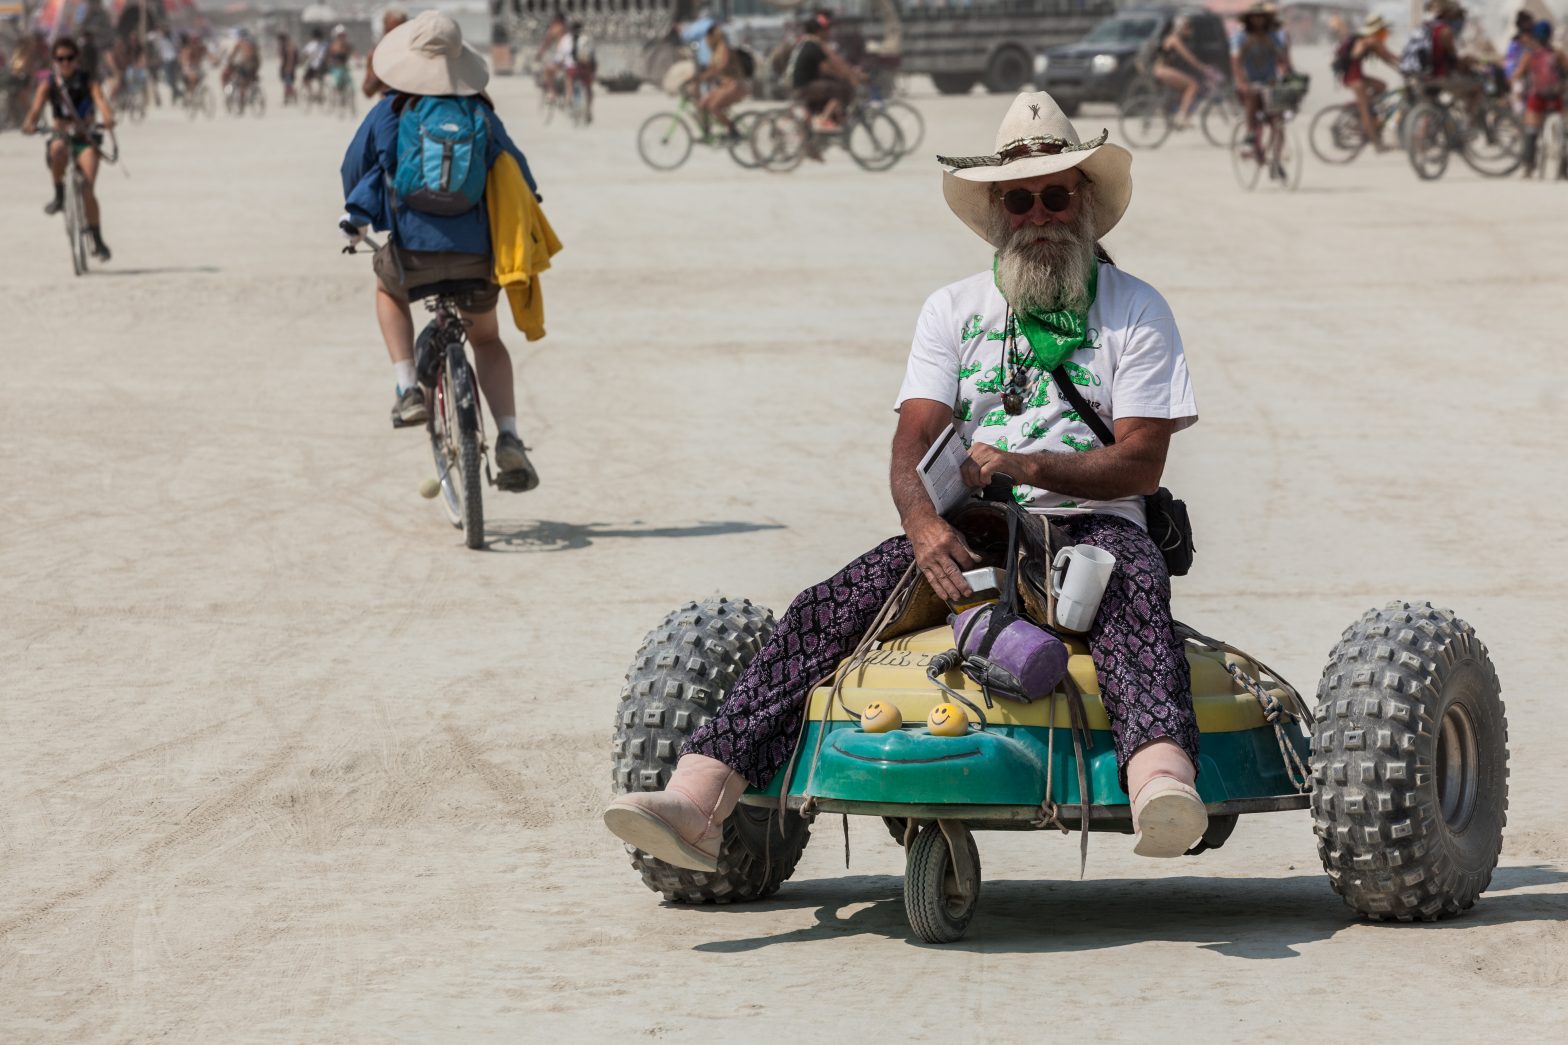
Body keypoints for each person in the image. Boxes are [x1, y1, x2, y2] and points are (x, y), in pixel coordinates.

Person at [604, 91, 1209, 868]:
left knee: (1133, 593)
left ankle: (1161, 781)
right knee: (826, 609)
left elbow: (1141, 460)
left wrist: (1026, 464)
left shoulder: (1136, 310)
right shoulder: (953, 309)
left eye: (1055, 195)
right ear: (998, 210)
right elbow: (912, 438)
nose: (1039, 215)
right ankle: (698, 797)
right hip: (973, 527)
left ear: (1084, 203)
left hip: (1093, 531)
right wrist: (924, 528)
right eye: (1020, 200)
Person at [339, 11, 541, 488]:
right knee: (487, 340)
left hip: (413, 257)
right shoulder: (479, 111)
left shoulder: (391, 110)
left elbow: (353, 171)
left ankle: (408, 386)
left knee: (387, 290)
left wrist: (364, 221)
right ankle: (509, 436)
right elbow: (521, 176)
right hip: (477, 257)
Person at [21, 35, 114, 261]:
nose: (65, 63)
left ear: (77, 59)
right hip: (61, 135)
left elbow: (101, 101)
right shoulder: (49, 84)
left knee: (88, 189)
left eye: (69, 58)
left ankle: (98, 239)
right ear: (54, 60)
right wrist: (29, 123)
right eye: (60, 58)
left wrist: (108, 118)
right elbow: (35, 109)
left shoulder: (88, 81)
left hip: (85, 139)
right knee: (56, 150)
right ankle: (59, 194)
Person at [1231, 2, 1290, 177]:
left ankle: (1276, 162)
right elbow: (1236, 62)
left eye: (1261, 17)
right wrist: (1242, 82)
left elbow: (1281, 59)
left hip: (1270, 83)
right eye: (1255, 17)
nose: (1258, 20)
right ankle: (1250, 134)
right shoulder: (1241, 37)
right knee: (1254, 94)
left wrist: (1286, 72)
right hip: (1250, 83)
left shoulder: (1273, 37)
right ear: (1250, 19)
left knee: (1278, 124)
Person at [790, 11, 864, 132]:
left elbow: (834, 64)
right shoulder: (813, 44)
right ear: (819, 31)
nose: (828, 33)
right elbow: (827, 67)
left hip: (800, 85)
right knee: (839, 89)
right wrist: (846, 76)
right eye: (826, 30)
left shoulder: (806, 42)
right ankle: (825, 119)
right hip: (804, 87)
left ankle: (827, 119)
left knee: (832, 88)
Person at [1514, 20, 1567, 179]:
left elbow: (1517, 75)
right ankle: (1564, 168)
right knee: (1563, 131)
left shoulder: (1529, 55)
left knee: (1531, 131)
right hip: (1555, 97)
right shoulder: (1557, 54)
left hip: (1536, 98)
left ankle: (1528, 167)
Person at [1338, 14, 1400, 149]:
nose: (1385, 33)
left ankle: (1369, 107)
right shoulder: (1371, 40)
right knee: (1365, 108)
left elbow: (1387, 58)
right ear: (1378, 29)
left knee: (1381, 86)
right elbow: (1388, 56)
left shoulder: (1368, 40)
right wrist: (1404, 66)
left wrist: (1400, 67)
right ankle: (1376, 143)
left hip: (1356, 75)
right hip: (1354, 78)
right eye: (1383, 30)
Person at [1152, 15, 1210, 128]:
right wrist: (1202, 67)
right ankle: (1181, 117)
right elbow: (1188, 57)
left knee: (1186, 84)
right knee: (1193, 85)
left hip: (1163, 69)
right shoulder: (1174, 40)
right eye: (1187, 27)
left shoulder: (1172, 38)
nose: (1189, 30)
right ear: (1180, 27)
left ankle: (1178, 112)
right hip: (1163, 70)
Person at [693, 20, 745, 137]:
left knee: (713, 107)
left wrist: (705, 76)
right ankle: (706, 133)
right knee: (702, 105)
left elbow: (720, 67)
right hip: (724, 86)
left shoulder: (724, 49)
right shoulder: (716, 50)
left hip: (733, 86)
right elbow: (712, 69)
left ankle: (732, 129)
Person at [362, 7, 408, 98]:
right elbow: (368, 91)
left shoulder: (413, 53)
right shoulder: (375, 55)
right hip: (388, 108)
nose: (393, 35)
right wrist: (383, 69)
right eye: (389, 31)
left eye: (398, 31)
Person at [223, 27, 260, 99]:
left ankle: (242, 97)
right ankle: (249, 90)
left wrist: (229, 61)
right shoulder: (252, 41)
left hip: (247, 63)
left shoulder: (241, 42)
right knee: (248, 78)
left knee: (240, 78)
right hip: (256, 63)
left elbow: (233, 54)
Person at [301, 27, 327, 104]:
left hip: (313, 66)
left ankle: (311, 93)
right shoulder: (325, 44)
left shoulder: (311, 45)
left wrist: (302, 62)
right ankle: (320, 94)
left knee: (305, 79)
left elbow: (305, 55)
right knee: (321, 80)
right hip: (323, 66)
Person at [277, 30, 298, 105]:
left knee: (288, 83)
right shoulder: (284, 45)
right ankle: (287, 97)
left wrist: (288, 67)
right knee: (287, 83)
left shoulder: (288, 45)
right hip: (285, 66)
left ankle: (291, 96)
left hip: (288, 67)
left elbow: (290, 57)